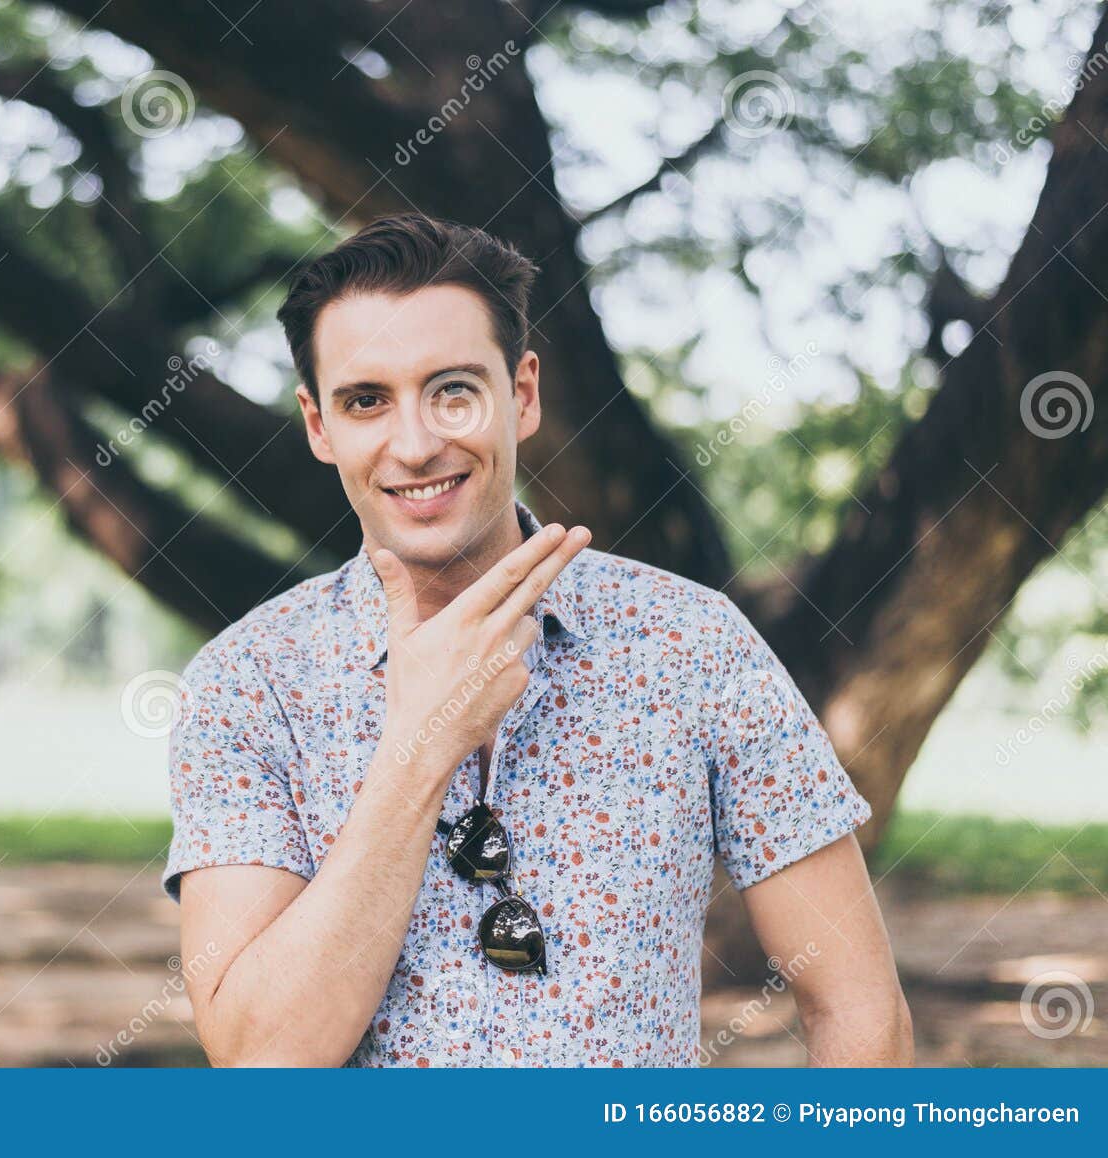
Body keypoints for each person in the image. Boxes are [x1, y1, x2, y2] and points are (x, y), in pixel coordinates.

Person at [160, 212, 912, 1068]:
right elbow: (261, 1062)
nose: (414, 444)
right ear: (319, 425)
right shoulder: (245, 684)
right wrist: (419, 746)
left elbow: (857, 1007)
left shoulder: (696, 646)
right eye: (367, 401)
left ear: (521, 393)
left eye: (453, 390)